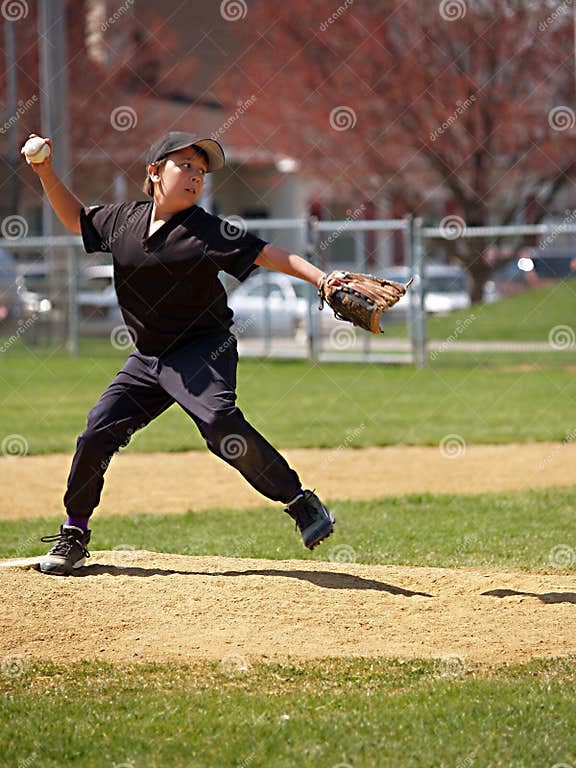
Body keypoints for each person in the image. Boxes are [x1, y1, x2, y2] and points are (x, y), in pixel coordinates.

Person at [23, 130, 335, 576]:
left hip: (202, 350)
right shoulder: (123, 221)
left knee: (219, 423)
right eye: (184, 164)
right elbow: (76, 219)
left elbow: (267, 254)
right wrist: (45, 170)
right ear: (154, 172)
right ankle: (74, 532)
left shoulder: (205, 229)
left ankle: (299, 501)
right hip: (148, 358)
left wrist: (321, 279)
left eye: (201, 170)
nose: (195, 176)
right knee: (96, 432)